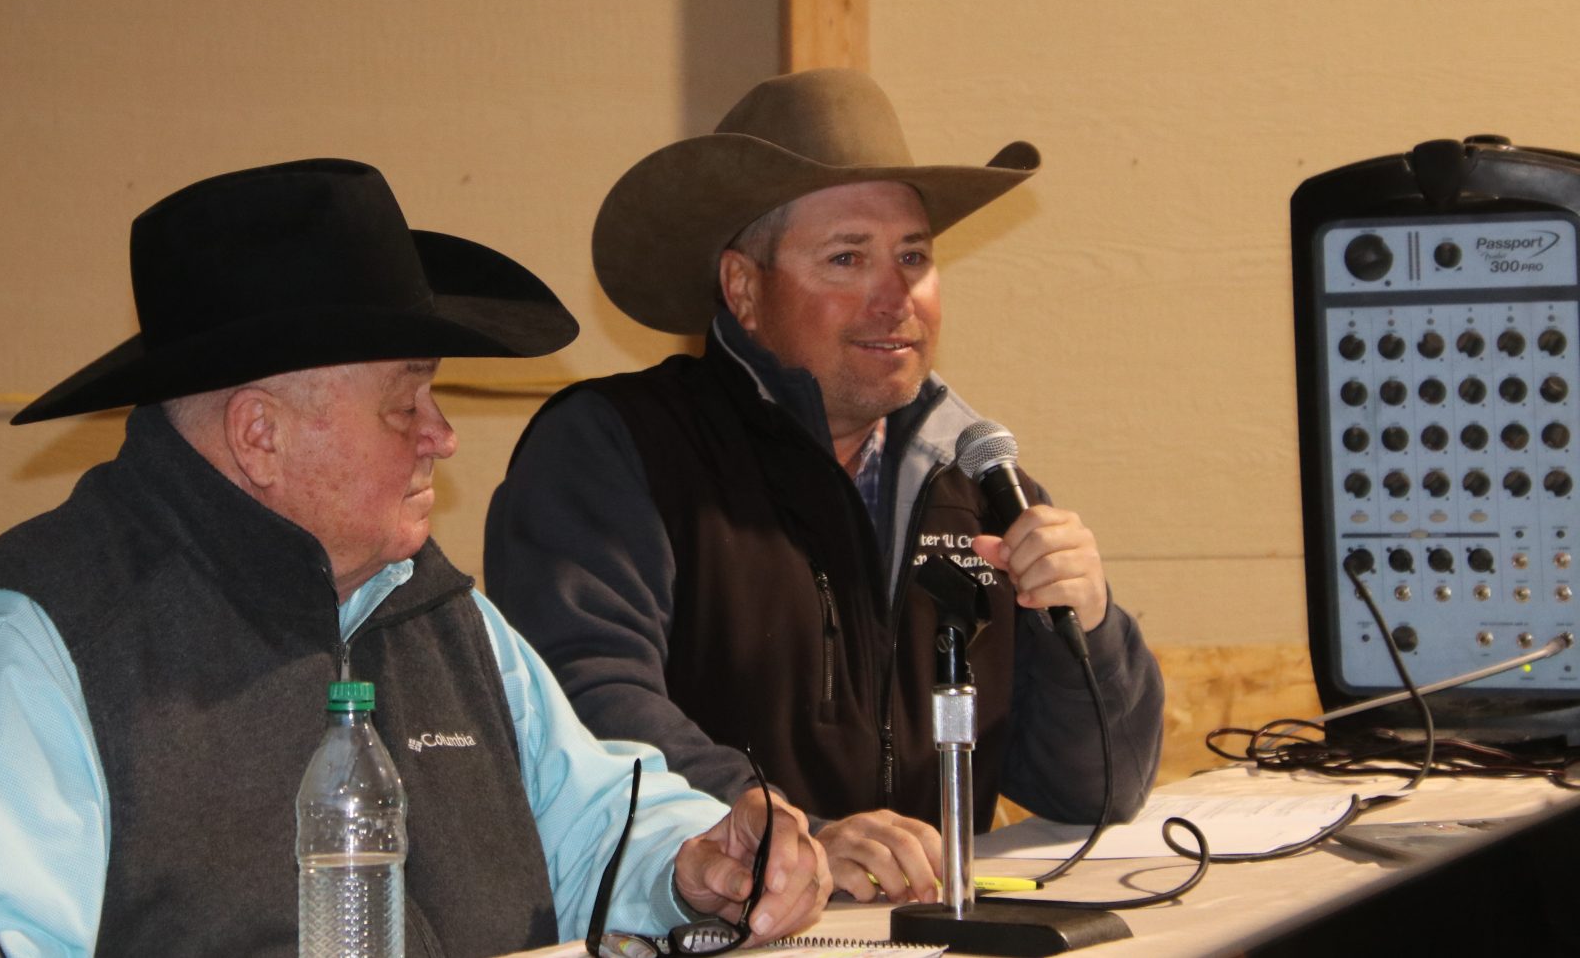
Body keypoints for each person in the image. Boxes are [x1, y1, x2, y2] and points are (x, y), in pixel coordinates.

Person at [0, 158, 829, 958]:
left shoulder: (438, 616)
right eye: (406, 403)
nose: (440, 436)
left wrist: (692, 862)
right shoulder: (24, 650)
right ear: (260, 436)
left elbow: (590, 821)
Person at [484, 69, 1165, 908]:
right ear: (742, 288)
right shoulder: (619, 447)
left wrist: (1085, 626)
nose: (898, 295)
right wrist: (788, 836)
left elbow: (1099, 790)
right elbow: (585, 707)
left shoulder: (980, 484)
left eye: (914, 255)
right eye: (849, 258)